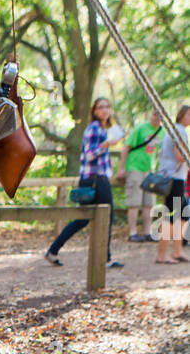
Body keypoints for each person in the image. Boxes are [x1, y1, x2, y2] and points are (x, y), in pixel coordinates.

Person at [45, 96, 123, 268]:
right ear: (94, 111)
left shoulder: (103, 129)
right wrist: (106, 145)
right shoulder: (94, 128)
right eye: (101, 107)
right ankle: (105, 259)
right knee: (106, 217)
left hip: (95, 178)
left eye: (107, 106)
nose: (105, 110)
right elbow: (88, 155)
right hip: (95, 179)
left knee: (83, 219)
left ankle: (53, 251)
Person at [154, 104, 190, 265]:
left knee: (182, 214)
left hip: (176, 177)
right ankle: (162, 255)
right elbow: (179, 156)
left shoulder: (175, 130)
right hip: (173, 179)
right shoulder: (179, 131)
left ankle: (177, 251)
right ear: (181, 115)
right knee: (170, 214)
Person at [120, 110, 161, 242]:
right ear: (150, 115)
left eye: (160, 115)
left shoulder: (162, 132)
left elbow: (159, 151)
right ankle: (132, 232)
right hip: (134, 168)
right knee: (134, 202)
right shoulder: (140, 129)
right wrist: (121, 168)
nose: (157, 118)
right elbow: (126, 147)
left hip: (149, 170)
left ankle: (147, 232)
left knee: (149, 203)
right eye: (155, 114)